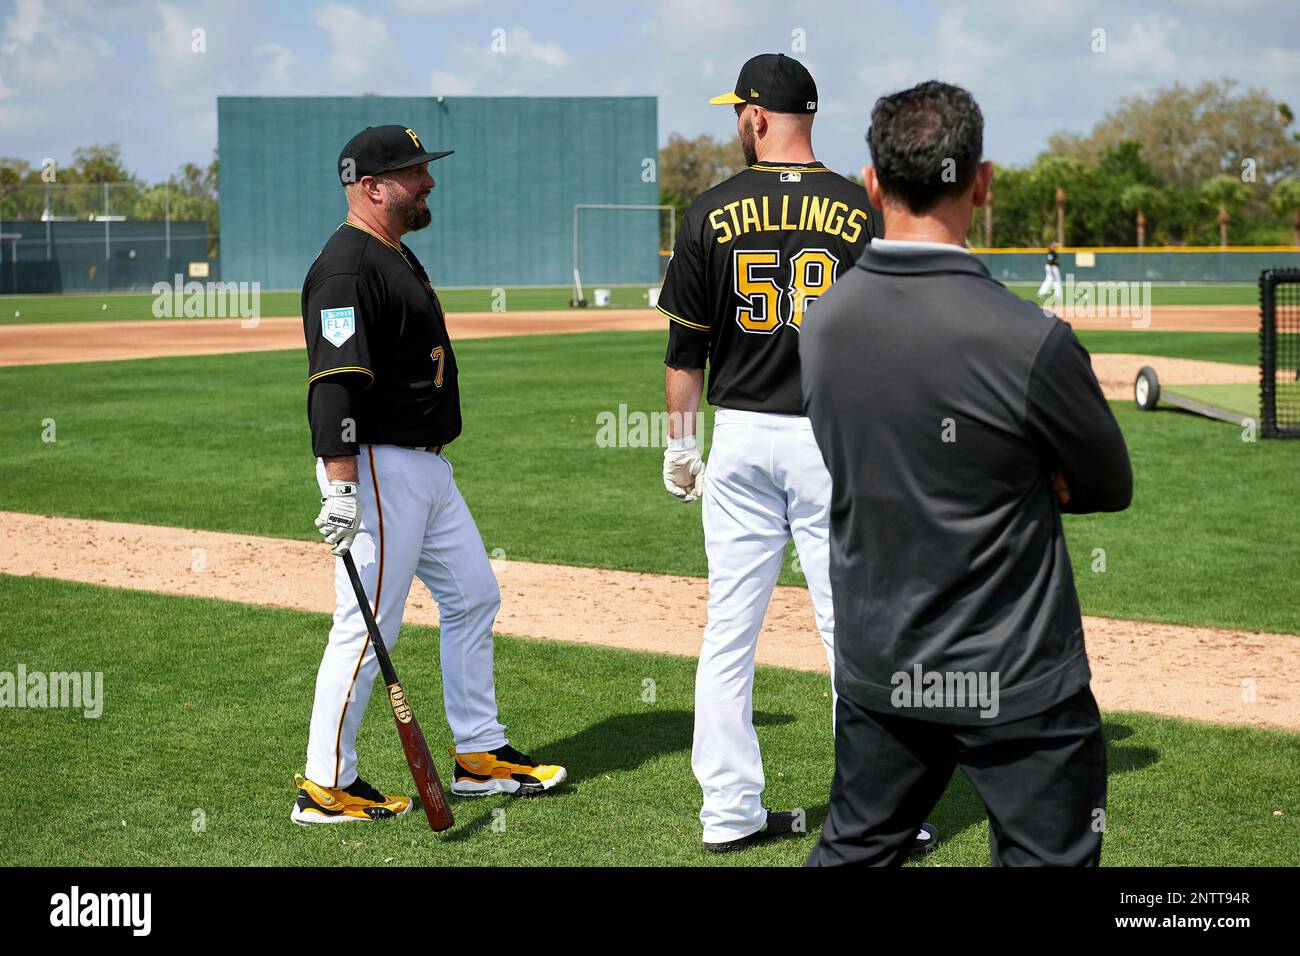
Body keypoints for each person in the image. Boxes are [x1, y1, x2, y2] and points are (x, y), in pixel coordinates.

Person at [801, 81, 1132, 866]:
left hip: (881, 664)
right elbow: (1106, 484)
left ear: (872, 183)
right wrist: (1033, 468)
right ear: (980, 182)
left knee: (855, 851)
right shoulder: (1032, 339)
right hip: (1016, 671)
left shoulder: (823, 324)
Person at [658, 53, 935, 855]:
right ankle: (881, 813)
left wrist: (681, 448)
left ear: (754, 116)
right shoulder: (861, 209)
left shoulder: (709, 209)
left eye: (736, 112)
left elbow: (685, 353)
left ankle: (729, 814)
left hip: (740, 436)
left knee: (728, 633)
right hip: (834, 438)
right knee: (853, 632)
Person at [291, 124, 566, 824]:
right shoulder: (347, 267)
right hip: (380, 466)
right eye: (413, 172)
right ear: (372, 187)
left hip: (427, 470)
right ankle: (325, 786)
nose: (427, 181)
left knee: (474, 596)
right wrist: (342, 483)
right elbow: (334, 384)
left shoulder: (393, 254)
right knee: (367, 625)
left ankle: (479, 756)